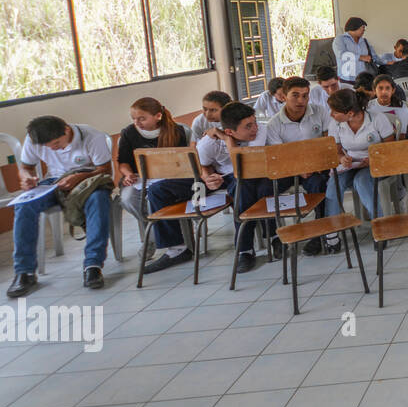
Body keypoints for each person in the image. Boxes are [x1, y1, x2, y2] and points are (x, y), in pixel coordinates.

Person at [7, 116, 113, 297]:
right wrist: (26, 178)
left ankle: (93, 265)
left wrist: (78, 177)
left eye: (56, 143)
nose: (52, 149)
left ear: (66, 130)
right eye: (47, 147)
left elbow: (105, 170)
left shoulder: (91, 137)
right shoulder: (34, 140)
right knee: (24, 205)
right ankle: (24, 272)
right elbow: (26, 167)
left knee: (99, 200)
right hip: (54, 182)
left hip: (88, 181)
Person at [193, 101, 269, 274]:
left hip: (252, 173)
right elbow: (203, 166)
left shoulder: (260, 132)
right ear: (229, 131)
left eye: (254, 122)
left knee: (247, 186)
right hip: (226, 177)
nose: (255, 128)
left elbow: (244, 167)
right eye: (248, 126)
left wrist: (227, 139)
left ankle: (246, 248)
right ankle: (249, 247)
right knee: (242, 187)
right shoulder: (207, 143)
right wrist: (207, 178)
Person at [263, 76, 334, 255]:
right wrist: (298, 169)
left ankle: (320, 233)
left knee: (320, 185)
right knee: (264, 189)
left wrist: (316, 165)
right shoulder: (274, 124)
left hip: (316, 167)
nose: (301, 100)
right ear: (283, 96)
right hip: (289, 169)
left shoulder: (319, 112)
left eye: (305, 95)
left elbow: (328, 143)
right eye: (295, 95)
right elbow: (280, 156)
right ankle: (275, 238)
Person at [116, 97, 190, 264]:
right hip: (139, 178)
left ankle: (153, 237)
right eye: (134, 119)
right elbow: (123, 162)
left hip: (168, 178)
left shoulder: (175, 130)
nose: (137, 122)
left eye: (142, 118)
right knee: (127, 199)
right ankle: (153, 235)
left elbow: (180, 161)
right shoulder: (129, 132)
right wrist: (128, 174)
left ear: (157, 116)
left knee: (154, 199)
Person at [320, 89, 395, 251]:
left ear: (350, 113)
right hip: (350, 163)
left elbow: (390, 146)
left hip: (375, 162)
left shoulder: (376, 119)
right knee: (334, 183)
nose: (331, 114)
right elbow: (337, 148)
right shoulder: (336, 123)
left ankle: (380, 228)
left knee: (361, 181)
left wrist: (373, 158)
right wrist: (342, 158)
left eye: (335, 111)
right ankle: (332, 235)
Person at [333, 16, 377, 86]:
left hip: (363, 78)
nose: (364, 30)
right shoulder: (340, 39)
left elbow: (373, 56)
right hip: (347, 79)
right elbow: (342, 55)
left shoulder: (364, 41)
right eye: (362, 28)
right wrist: (360, 57)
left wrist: (388, 61)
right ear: (354, 27)